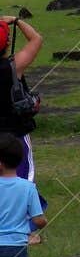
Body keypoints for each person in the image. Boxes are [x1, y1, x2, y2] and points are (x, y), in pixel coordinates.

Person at [0, 16, 44, 183]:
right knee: (23, 179)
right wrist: (16, 20)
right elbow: (36, 39)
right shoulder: (14, 66)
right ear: (7, 43)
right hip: (16, 133)